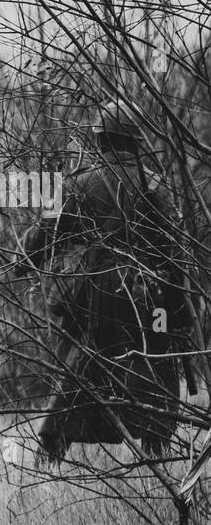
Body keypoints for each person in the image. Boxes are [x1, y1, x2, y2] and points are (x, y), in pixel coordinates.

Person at [22, 102, 190, 462]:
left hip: (90, 295)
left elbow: (39, 239)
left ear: (99, 140)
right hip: (148, 297)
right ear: (134, 141)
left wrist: (24, 262)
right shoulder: (156, 186)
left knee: (77, 376)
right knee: (153, 369)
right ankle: (157, 459)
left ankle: (47, 459)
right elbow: (176, 255)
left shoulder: (75, 185)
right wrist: (177, 312)